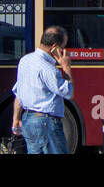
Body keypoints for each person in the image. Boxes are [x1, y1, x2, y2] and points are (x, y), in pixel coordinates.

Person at [11, 26, 74, 154]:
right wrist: (66, 67)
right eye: (62, 48)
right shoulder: (48, 68)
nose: (63, 52)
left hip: (28, 120)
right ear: (54, 47)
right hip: (46, 122)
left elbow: (19, 93)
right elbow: (69, 93)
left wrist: (16, 118)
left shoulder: (25, 61)